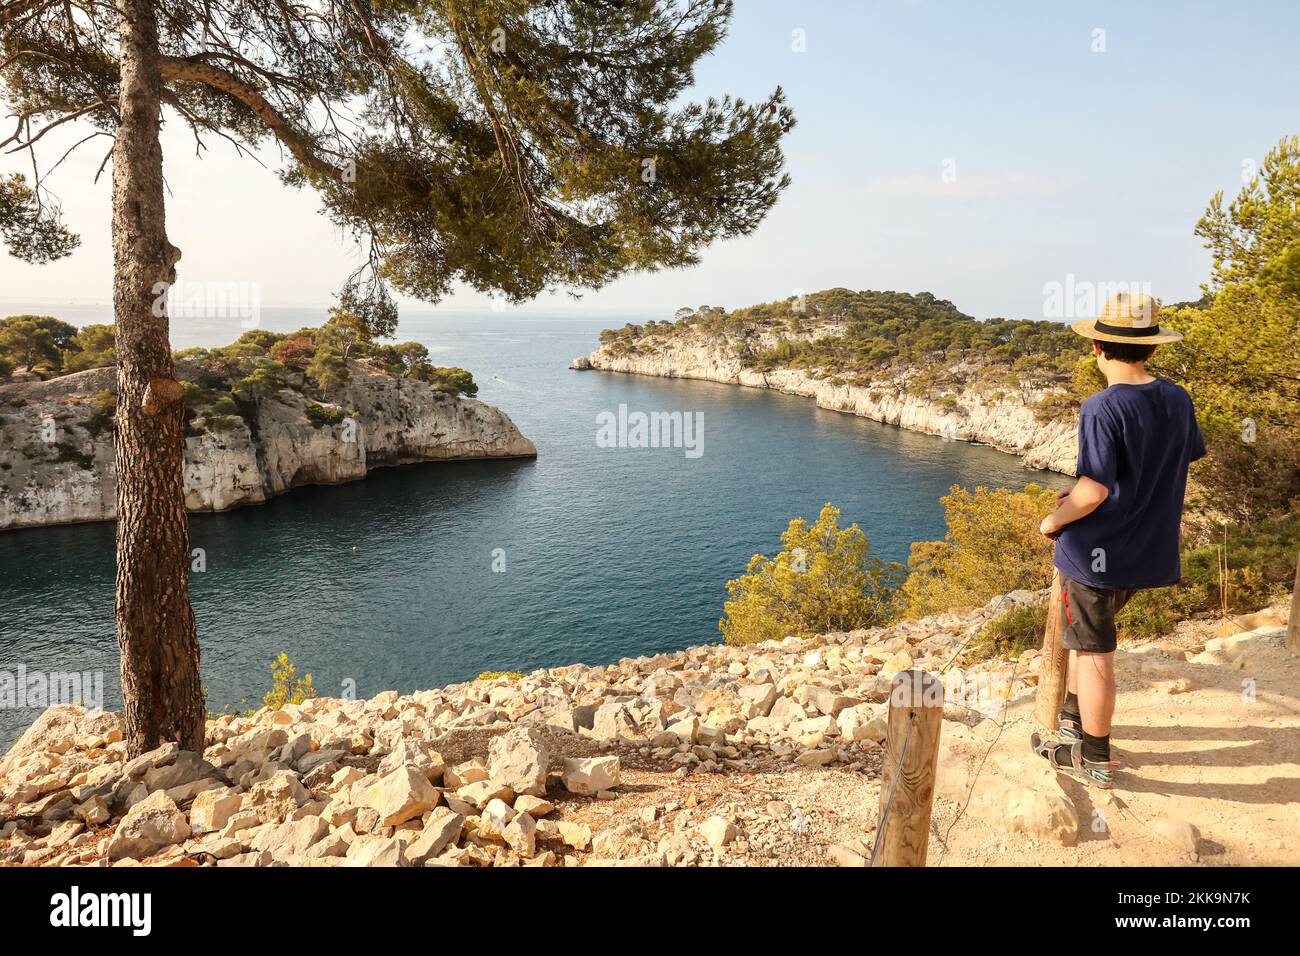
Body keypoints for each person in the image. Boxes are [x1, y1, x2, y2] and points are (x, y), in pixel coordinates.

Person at [1031, 291, 1205, 788]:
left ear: (1097, 349)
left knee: (1094, 653)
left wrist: (1055, 519)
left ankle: (1094, 758)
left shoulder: (1100, 407)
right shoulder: (1177, 397)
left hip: (1094, 553)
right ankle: (1072, 721)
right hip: (1146, 549)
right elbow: (1167, 462)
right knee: (1088, 641)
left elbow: (1094, 490)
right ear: (1152, 349)